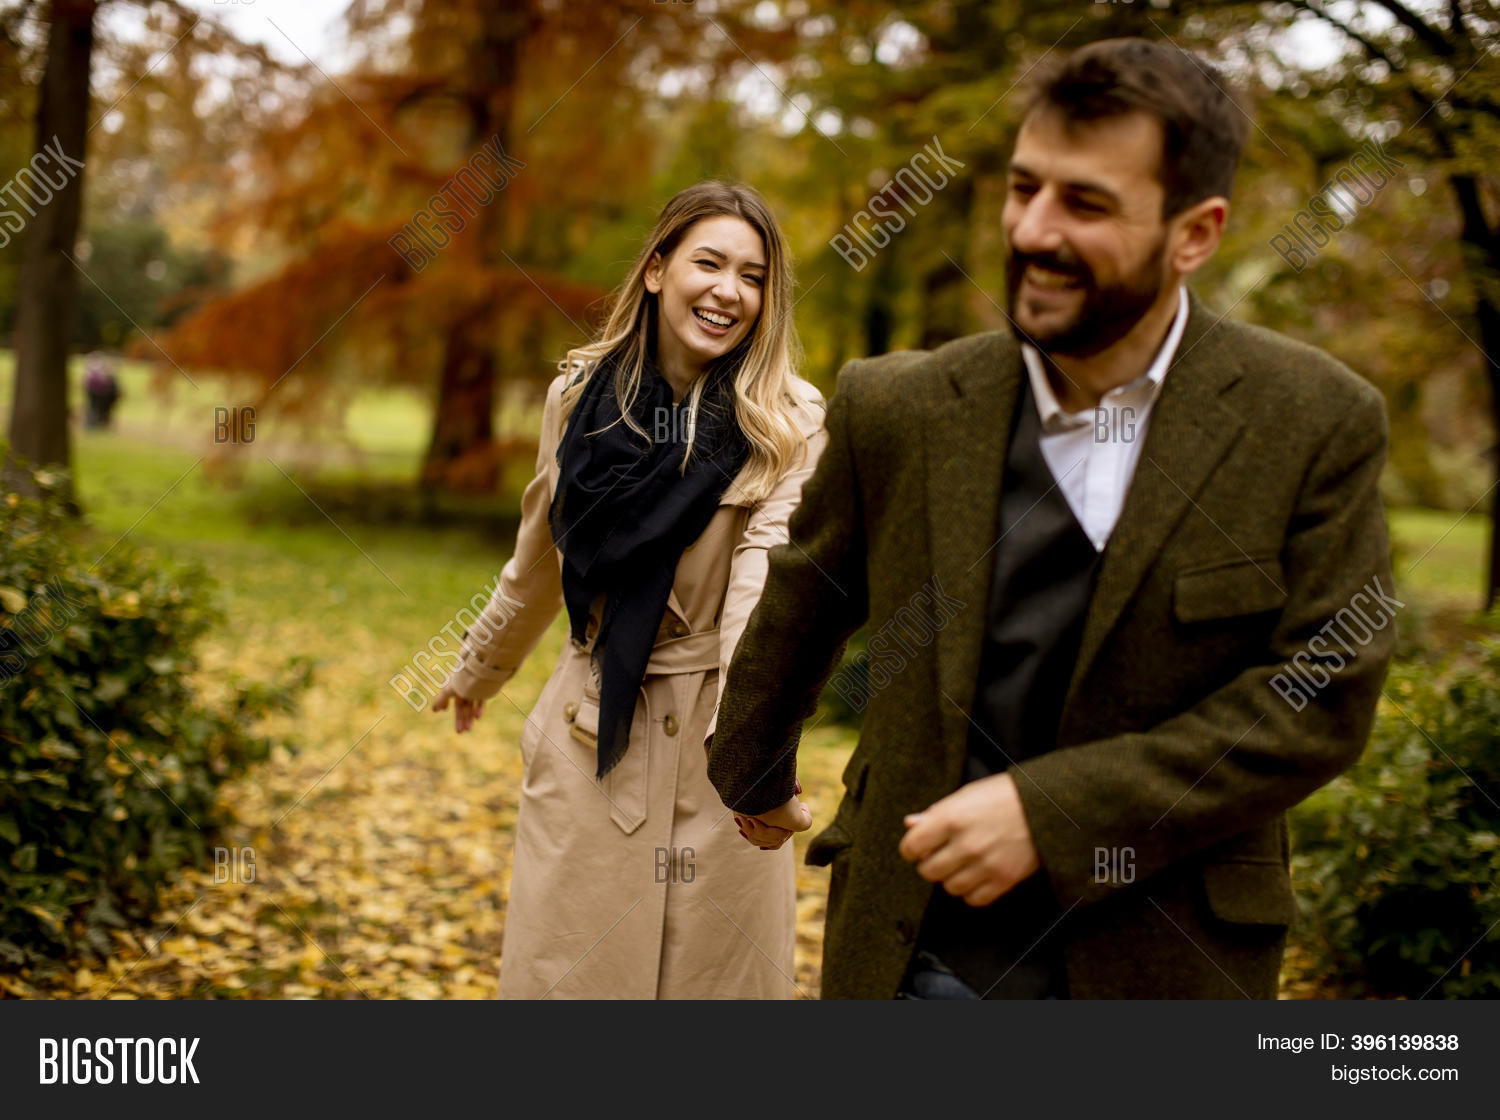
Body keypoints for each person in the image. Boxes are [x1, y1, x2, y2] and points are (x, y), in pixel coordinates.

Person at [708, 38, 1395, 999]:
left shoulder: (1315, 420)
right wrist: (748, 769)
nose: (1032, 231)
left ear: (1195, 232)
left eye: (1085, 203)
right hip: (915, 957)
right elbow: (808, 594)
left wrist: (1056, 815)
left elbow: (1321, 692)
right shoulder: (896, 406)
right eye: (1024, 188)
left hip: (1165, 966)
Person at [432, 180, 825, 999]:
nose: (729, 291)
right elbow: (540, 553)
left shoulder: (786, 422)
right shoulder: (580, 398)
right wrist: (481, 664)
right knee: (569, 981)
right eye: (708, 263)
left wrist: (751, 761)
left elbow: (762, 592)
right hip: (590, 739)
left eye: (753, 277)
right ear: (656, 270)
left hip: (716, 749)